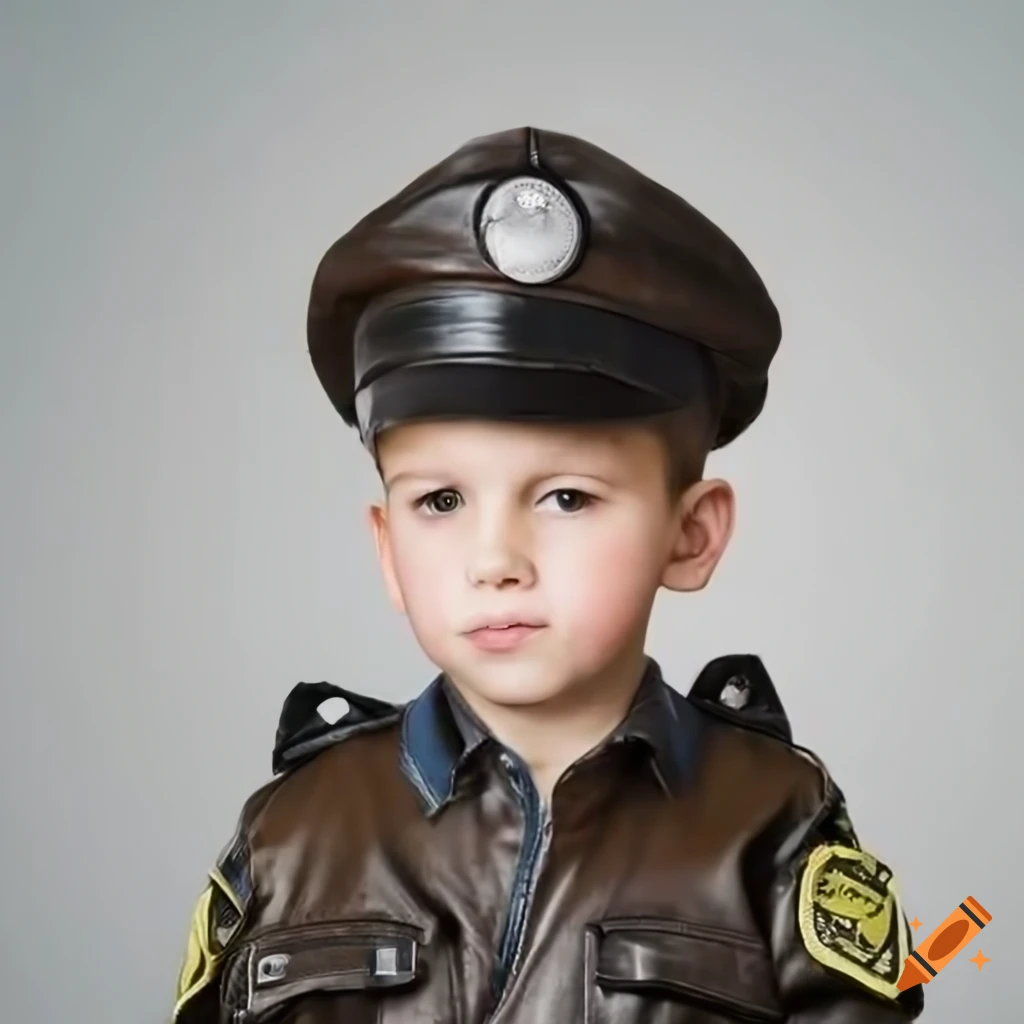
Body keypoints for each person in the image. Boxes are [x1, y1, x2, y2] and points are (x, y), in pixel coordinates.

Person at [169, 126, 924, 1023]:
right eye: (441, 501)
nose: (496, 561)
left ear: (690, 536)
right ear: (388, 551)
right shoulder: (296, 833)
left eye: (567, 498)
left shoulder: (770, 822)